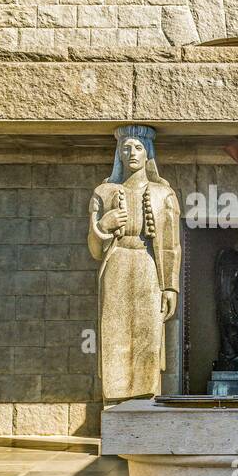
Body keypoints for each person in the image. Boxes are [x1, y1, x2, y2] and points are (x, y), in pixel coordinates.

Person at [88, 125, 181, 401]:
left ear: (148, 153)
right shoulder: (103, 192)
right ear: (118, 153)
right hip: (115, 264)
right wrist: (103, 226)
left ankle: (144, 404)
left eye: (138, 147)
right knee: (114, 336)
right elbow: (94, 249)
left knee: (148, 339)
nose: (131, 153)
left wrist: (170, 287)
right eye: (126, 147)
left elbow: (170, 245)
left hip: (147, 265)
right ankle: (114, 402)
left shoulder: (163, 194)